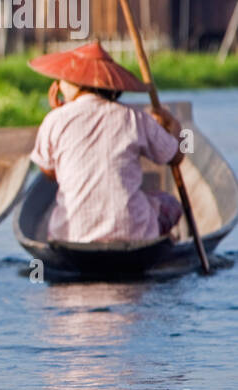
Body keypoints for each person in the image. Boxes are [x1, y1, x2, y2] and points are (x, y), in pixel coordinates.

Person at [28, 41, 184, 243]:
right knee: (171, 204)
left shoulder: (55, 120)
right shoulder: (134, 118)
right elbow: (176, 156)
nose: (58, 85)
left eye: (64, 81)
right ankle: (162, 240)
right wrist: (178, 128)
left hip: (71, 236)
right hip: (132, 232)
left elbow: (49, 172)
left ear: (77, 84)